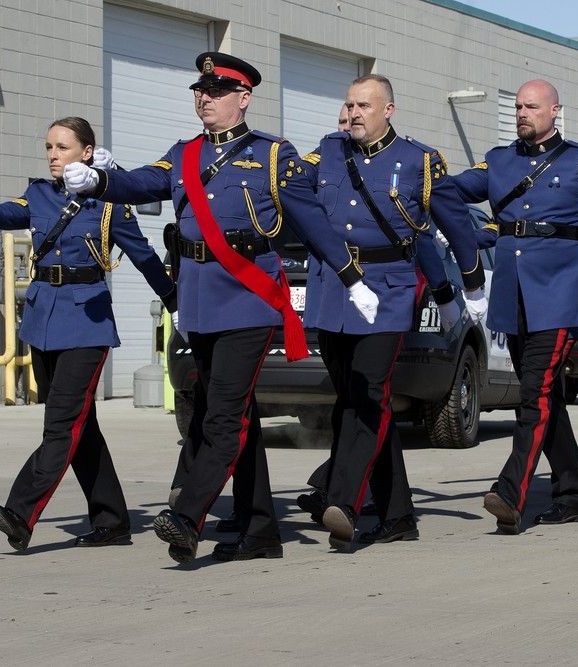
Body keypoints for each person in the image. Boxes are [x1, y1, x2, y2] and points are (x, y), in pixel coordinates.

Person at [64, 52, 380, 563]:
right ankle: (259, 531)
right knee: (233, 417)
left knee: (222, 418)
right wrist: (97, 181)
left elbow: (315, 223)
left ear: (243, 98)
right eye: (199, 91)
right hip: (199, 301)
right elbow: (142, 181)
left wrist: (350, 276)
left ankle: (188, 515)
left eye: (215, 91)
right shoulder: (184, 154)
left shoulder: (274, 156)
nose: (204, 99)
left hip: (249, 300)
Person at [0, 116, 177, 551]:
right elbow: (2, 214)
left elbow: (143, 256)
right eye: (49, 146)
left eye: (62, 147)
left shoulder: (108, 204)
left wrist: (176, 303)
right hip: (42, 322)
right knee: (81, 428)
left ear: (87, 153)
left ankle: (20, 512)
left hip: (87, 324)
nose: (52, 155)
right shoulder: (39, 193)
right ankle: (112, 520)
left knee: (62, 424)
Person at [299, 74, 487, 551]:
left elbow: (453, 222)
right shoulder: (328, 150)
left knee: (367, 393)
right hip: (333, 290)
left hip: (386, 290)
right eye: (349, 104)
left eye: (364, 104)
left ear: (389, 110)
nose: (354, 112)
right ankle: (399, 513)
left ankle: (338, 498)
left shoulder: (419, 161)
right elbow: (293, 192)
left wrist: (469, 281)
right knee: (354, 397)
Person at [453, 79, 578, 533]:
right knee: (547, 396)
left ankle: (510, 491)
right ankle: (572, 494)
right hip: (512, 296)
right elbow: (446, 192)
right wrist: (465, 244)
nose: (522, 114)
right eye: (518, 107)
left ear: (556, 111)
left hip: (556, 295)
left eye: (532, 107)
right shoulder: (498, 161)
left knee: (533, 395)